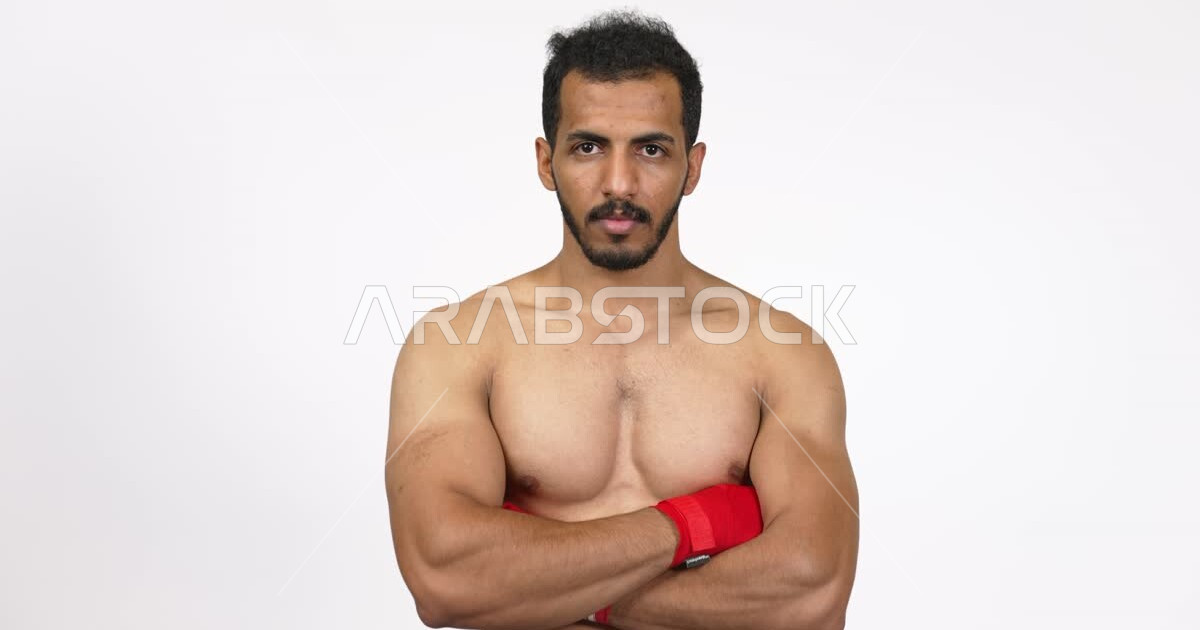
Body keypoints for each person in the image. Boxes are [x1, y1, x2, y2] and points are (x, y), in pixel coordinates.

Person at [386, 10, 858, 629]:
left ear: (692, 167)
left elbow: (812, 592)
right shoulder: (457, 346)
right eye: (588, 147)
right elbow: (447, 579)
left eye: (651, 150)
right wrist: (696, 524)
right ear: (546, 162)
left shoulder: (782, 352)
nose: (619, 183)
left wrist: (546, 592)